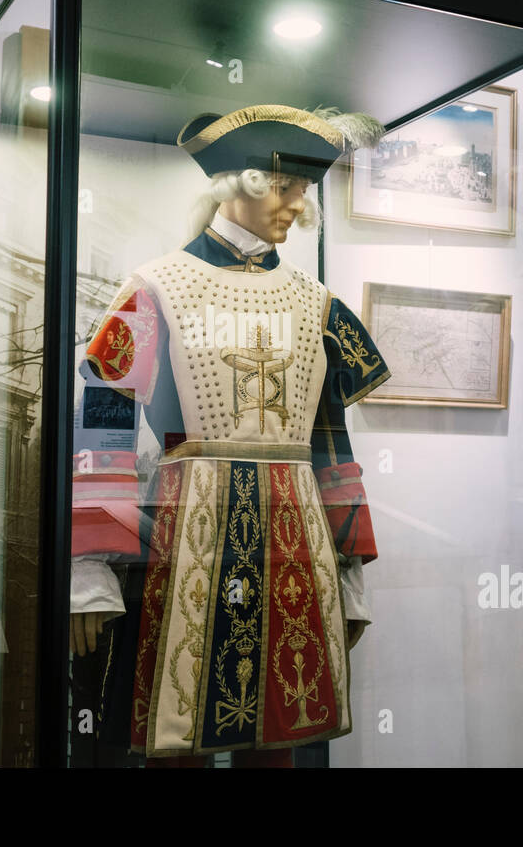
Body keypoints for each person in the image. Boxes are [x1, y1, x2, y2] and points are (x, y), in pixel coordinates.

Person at [70, 103, 390, 764]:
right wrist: (90, 572)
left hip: (294, 543)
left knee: (279, 736)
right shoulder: (155, 287)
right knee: (173, 726)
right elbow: (105, 420)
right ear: (236, 184)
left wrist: (351, 573)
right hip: (185, 536)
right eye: (286, 184)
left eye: (304, 188)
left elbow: (332, 443)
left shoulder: (317, 304)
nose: (299, 203)